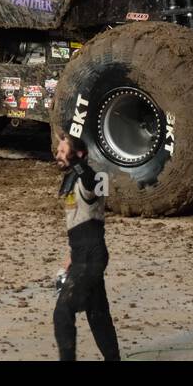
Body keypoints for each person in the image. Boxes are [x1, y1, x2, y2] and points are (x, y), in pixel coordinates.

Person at [53, 135, 120, 362]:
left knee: (63, 312)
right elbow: (79, 224)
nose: (58, 155)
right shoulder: (72, 179)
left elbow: (92, 181)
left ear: (79, 155)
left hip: (92, 256)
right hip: (81, 254)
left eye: (63, 151)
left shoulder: (91, 178)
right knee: (98, 314)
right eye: (58, 152)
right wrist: (70, 258)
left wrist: (79, 161)